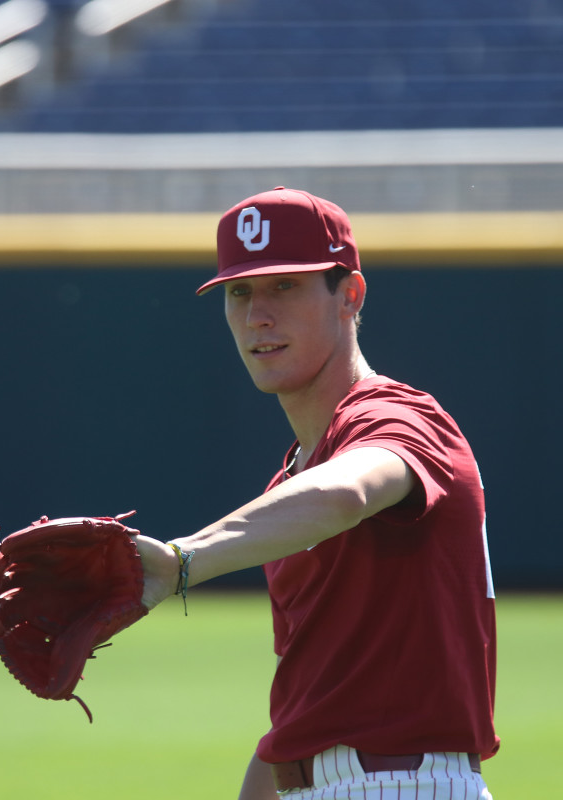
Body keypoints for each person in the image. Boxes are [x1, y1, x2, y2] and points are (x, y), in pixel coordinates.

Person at [134, 187, 499, 799]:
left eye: (285, 286)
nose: (257, 316)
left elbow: (347, 495)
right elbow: (305, 716)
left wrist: (183, 560)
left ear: (349, 296)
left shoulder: (401, 418)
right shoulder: (290, 486)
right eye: (239, 291)